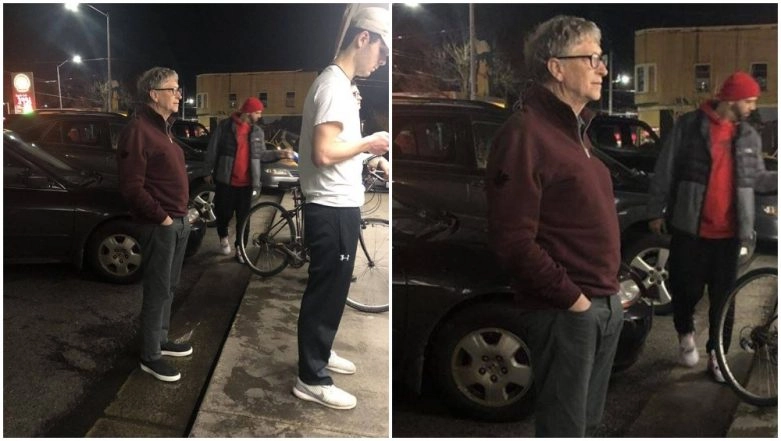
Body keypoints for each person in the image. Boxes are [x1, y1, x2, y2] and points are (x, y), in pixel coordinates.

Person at [485, 16, 621, 437]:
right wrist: (574, 300)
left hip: (601, 305)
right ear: (556, 67)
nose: (603, 68)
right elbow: (512, 240)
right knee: (564, 428)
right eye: (592, 57)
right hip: (567, 312)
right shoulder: (526, 133)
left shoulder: (576, 133)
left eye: (602, 58)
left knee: (587, 423)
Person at [647, 71, 777, 382]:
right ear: (731, 99)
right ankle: (685, 332)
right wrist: (656, 210)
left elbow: (756, 178)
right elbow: (665, 168)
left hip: (730, 235)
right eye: (748, 100)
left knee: (725, 298)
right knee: (686, 289)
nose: (751, 106)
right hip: (690, 229)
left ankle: (717, 356)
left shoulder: (747, 135)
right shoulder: (689, 127)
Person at [292, 6, 390, 410]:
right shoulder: (333, 85)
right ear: (363, 38)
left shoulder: (340, 84)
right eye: (381, 51)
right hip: (330, 208)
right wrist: (370, 143)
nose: (382, 61)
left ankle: (321, 351)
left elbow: (339, 150)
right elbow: (324, 151)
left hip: (339, 204)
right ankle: (311, 377)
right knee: (325, 290)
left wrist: (369, 156)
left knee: (332, 291)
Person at [117, 67, 192, 382]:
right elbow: (132, 187)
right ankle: (150, 356)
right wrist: (162, 218)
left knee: (169, 288)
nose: (178, 94)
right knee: (157, 290)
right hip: (160, 225)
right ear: (153, 94)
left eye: (178, 88)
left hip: (177, 221)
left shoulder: (164, 128)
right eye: (173, 88)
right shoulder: (138, 130)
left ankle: (160, 339)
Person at [204, 97, 292, 262]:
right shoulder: (225, 127)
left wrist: (280, 154)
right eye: (257, 112)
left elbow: (261, 155)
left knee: (244, 218)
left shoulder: (257, 132)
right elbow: (212, 149)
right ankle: (223, 236)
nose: (259, 116)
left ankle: (240, 248)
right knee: (223, 214)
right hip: (226, 181)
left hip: (247, 185)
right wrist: (208, 170)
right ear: (248, 112)